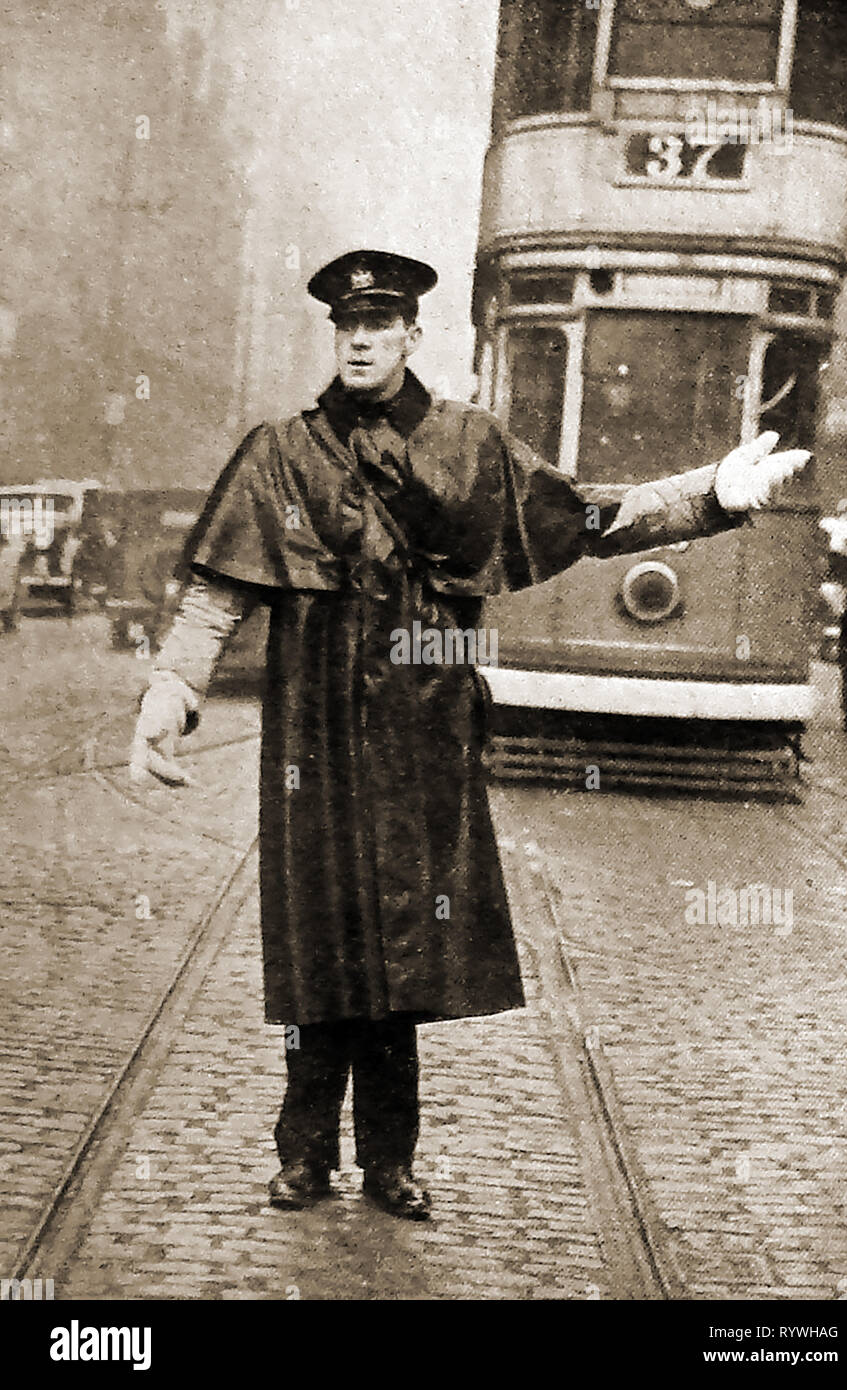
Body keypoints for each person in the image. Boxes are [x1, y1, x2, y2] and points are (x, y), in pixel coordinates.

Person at [130, 249, 810, 1220]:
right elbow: (218, 594)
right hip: (312, 743)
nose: (361, 338)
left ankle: (389, 1162)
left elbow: (591, 517)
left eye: (380, 323)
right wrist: (170, 689)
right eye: (347, 325)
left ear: (413, 334)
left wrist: (707, 496)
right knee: (318, 941)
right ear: (338, 336)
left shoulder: (469, 447)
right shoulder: (281, 455)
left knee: (403, 950)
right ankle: (305, 1153)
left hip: (421, 739)